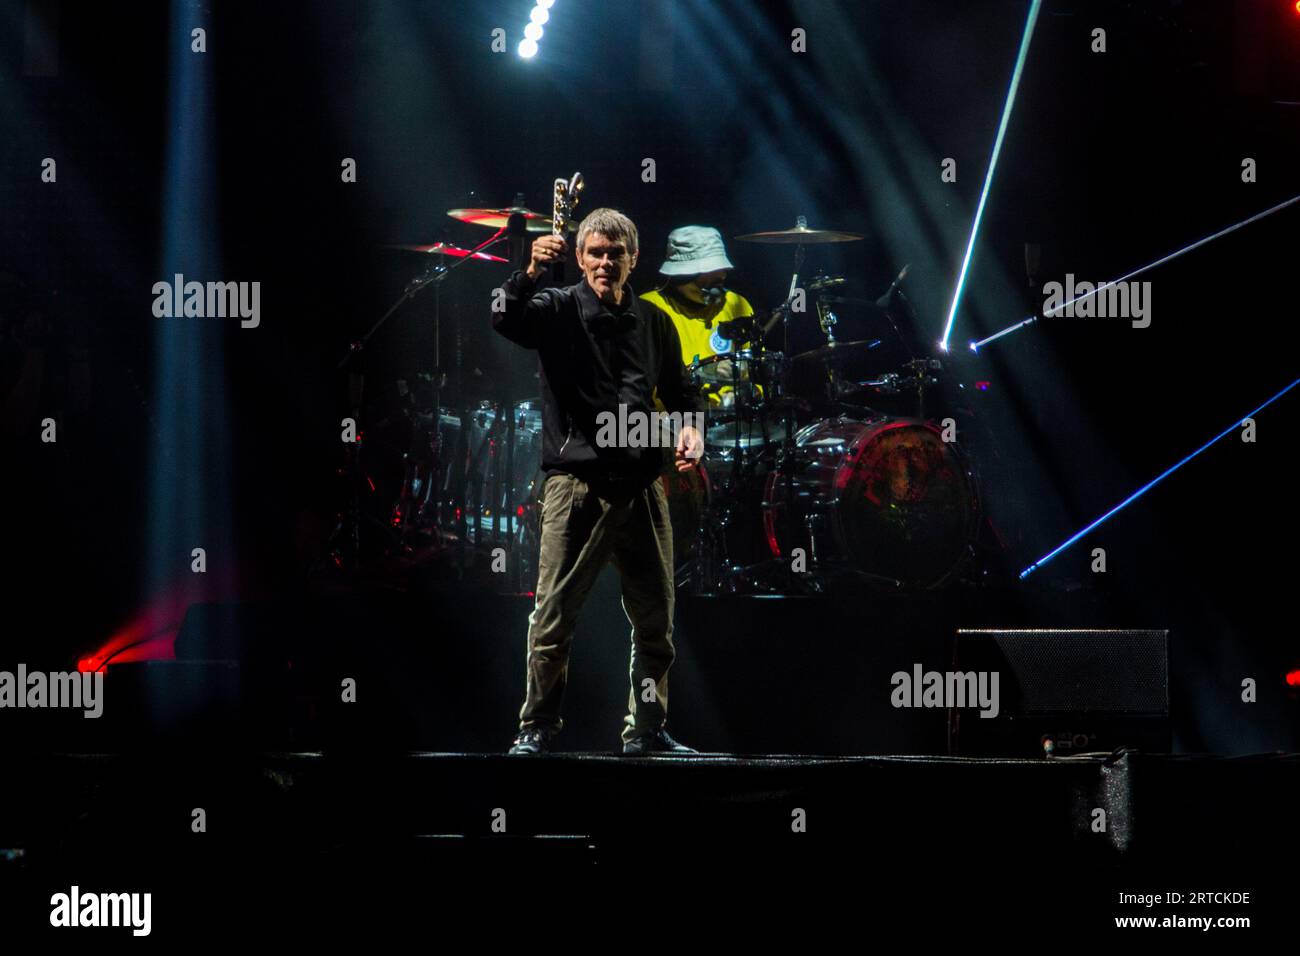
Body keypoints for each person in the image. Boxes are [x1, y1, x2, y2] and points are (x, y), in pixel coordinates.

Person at [492, 207, 706, 756]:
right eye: (595, 252)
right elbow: (503, 316)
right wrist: (530, 270)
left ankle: (648, 729)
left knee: (656, 617)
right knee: (555, 613)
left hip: (641, 484)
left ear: (633, 259)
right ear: (581, 258)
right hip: (577, 484)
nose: (605, 262)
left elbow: (683, 396)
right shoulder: (557, 307)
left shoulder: (655, 322)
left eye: (616, 253)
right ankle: (536, 725)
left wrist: (691, 434)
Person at [638, 225, 757, 408]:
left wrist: (744, 378)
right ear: (681, 277)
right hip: (672, 424)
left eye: (720, 274)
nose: (721, 277)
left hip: (733, 422)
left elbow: (758, 371)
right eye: (707, 283)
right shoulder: (649, 310)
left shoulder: (736, 304)